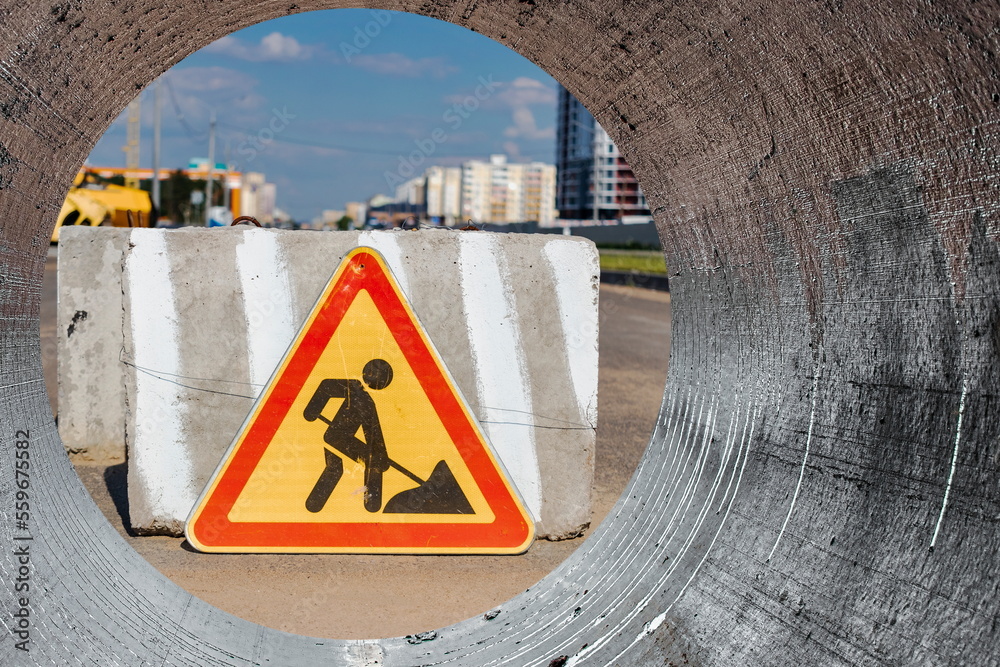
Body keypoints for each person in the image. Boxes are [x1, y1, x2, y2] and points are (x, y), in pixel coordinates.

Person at [302, 359, 393, 513]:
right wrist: (312, 410)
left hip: (337, 438)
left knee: (338, 468)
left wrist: (312, 411)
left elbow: (373, 431)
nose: (374, 376)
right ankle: (314, 506)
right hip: (335, 437)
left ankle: (371, 501)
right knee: (337, 468)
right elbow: (326, 387)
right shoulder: (356, 389)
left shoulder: (366, 400)